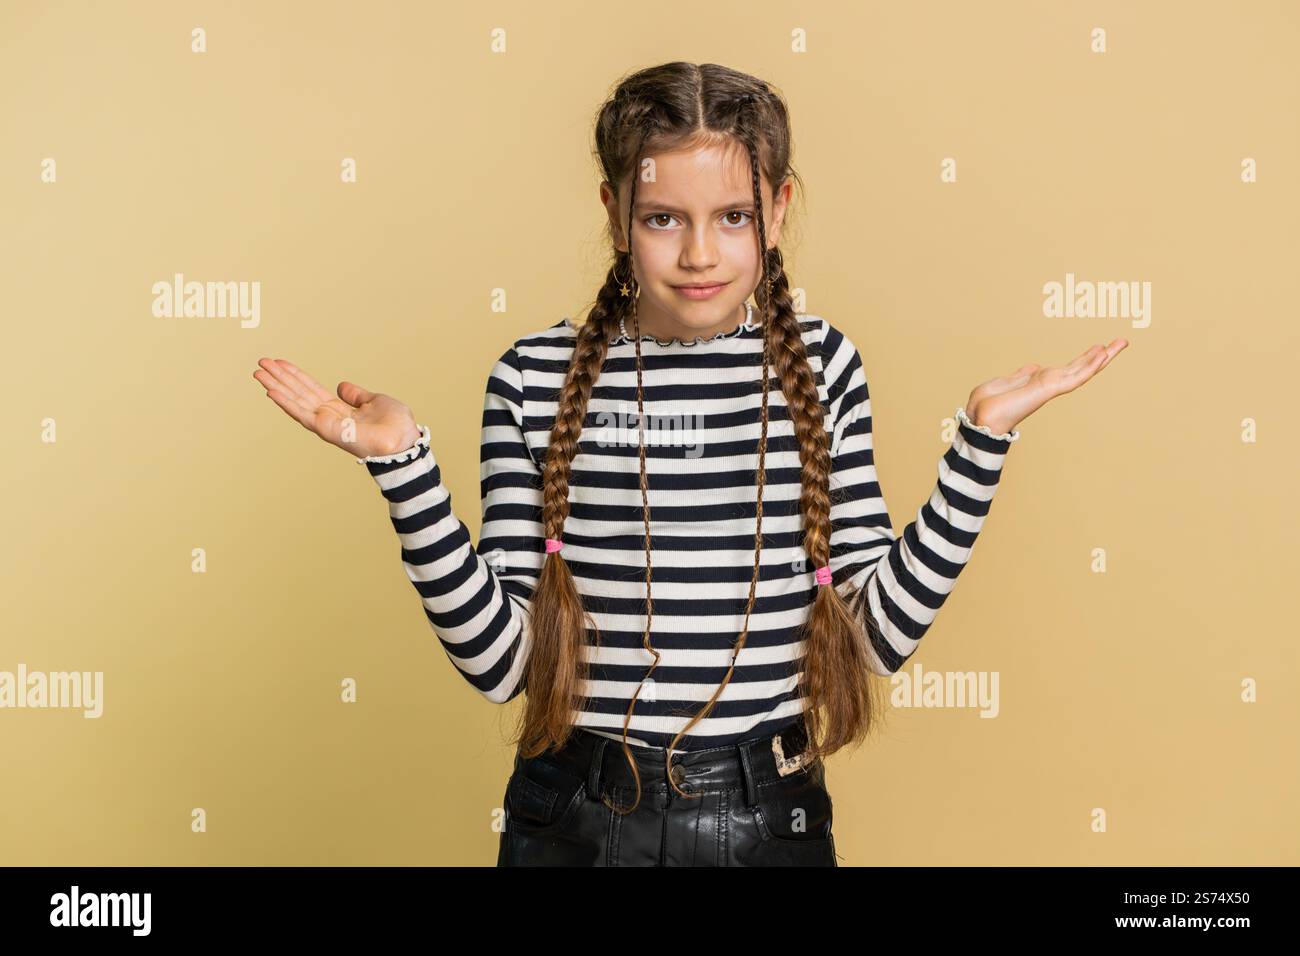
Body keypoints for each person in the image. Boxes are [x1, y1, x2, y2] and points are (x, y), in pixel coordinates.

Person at [252, 61, 1126, 866]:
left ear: (779, 209)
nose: (699, 254)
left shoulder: (821, 368)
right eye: (663, 218)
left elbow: (875, 635)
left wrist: (980, 445)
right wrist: (403, 466)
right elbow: (501, 665)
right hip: (571, 817)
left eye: (733, 217)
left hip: (766, 816)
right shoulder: (533, 377)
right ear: (613, 212)